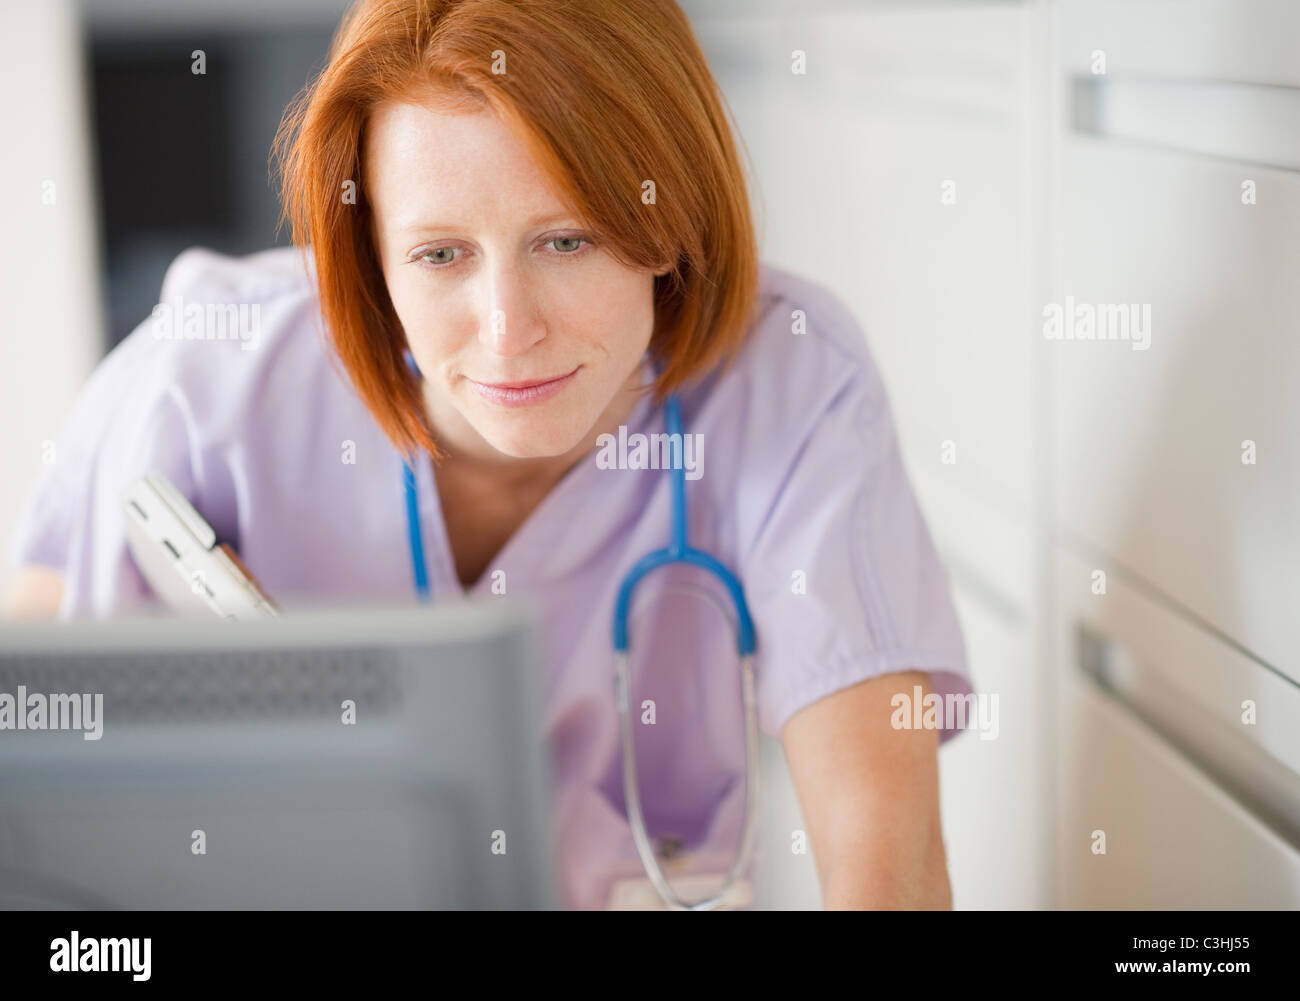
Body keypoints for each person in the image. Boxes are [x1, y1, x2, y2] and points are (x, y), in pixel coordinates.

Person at [4, 0, 974, 909]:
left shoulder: (792, 379)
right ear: (371, 255)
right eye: (440, 255)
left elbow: (886, 870)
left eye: (566, 241)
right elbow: (47, 812)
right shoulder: (205, 381)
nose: (509, 332)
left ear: (670, 220)